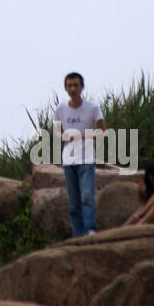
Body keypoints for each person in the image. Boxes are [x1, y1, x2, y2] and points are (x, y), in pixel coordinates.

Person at [58, 72, 106, 237]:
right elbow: (58, 133)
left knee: (87, 196)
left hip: (86, 157)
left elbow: (102, 131)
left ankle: (90, 229)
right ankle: (78, 234)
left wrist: (82, 136)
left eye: (75, 85)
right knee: (73, 201)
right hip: (68, 158)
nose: (72, 89)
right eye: (69, 85)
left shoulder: (93, 108)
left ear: (82, 87)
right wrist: (67, 137)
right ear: (65, 88)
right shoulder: (61, 109)